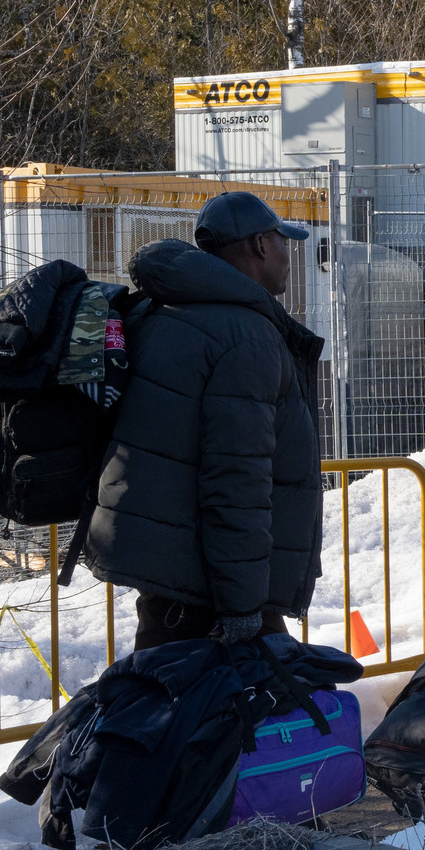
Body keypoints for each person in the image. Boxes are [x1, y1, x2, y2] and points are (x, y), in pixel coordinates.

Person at [87, 191, 323, 651]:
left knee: (160, 705)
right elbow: (236, 479)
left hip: (173, 575)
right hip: (209, 591)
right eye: (281, 240)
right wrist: (241, 605)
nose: (288, 253)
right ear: (258, 245)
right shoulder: (245, 336)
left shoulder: (164, 312)